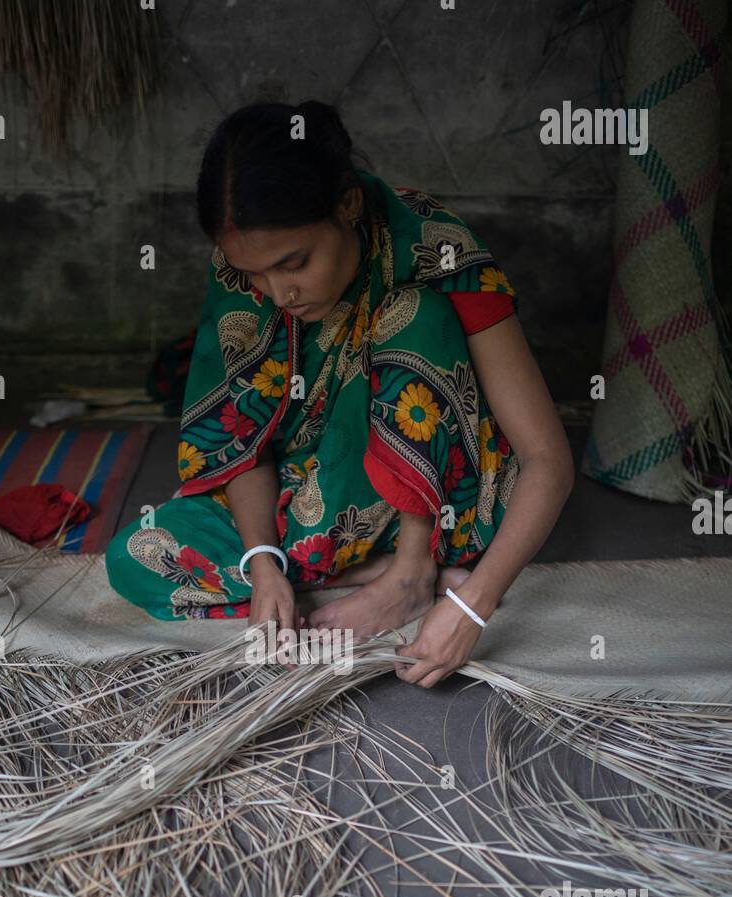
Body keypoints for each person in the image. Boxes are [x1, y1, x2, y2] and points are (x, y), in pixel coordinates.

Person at [106, 100, 574, 688]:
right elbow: (242, 442)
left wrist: (474, 606)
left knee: (414, 312)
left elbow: (547, 460)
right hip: (317, 498)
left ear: (347, 206)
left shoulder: (435, 248)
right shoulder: (241, 273)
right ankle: (367, 575)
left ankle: (410, 570)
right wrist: (264, 563)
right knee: (137, 557)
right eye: (255, 274)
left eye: (294, 263)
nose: (279, 293)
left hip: (448, 500)